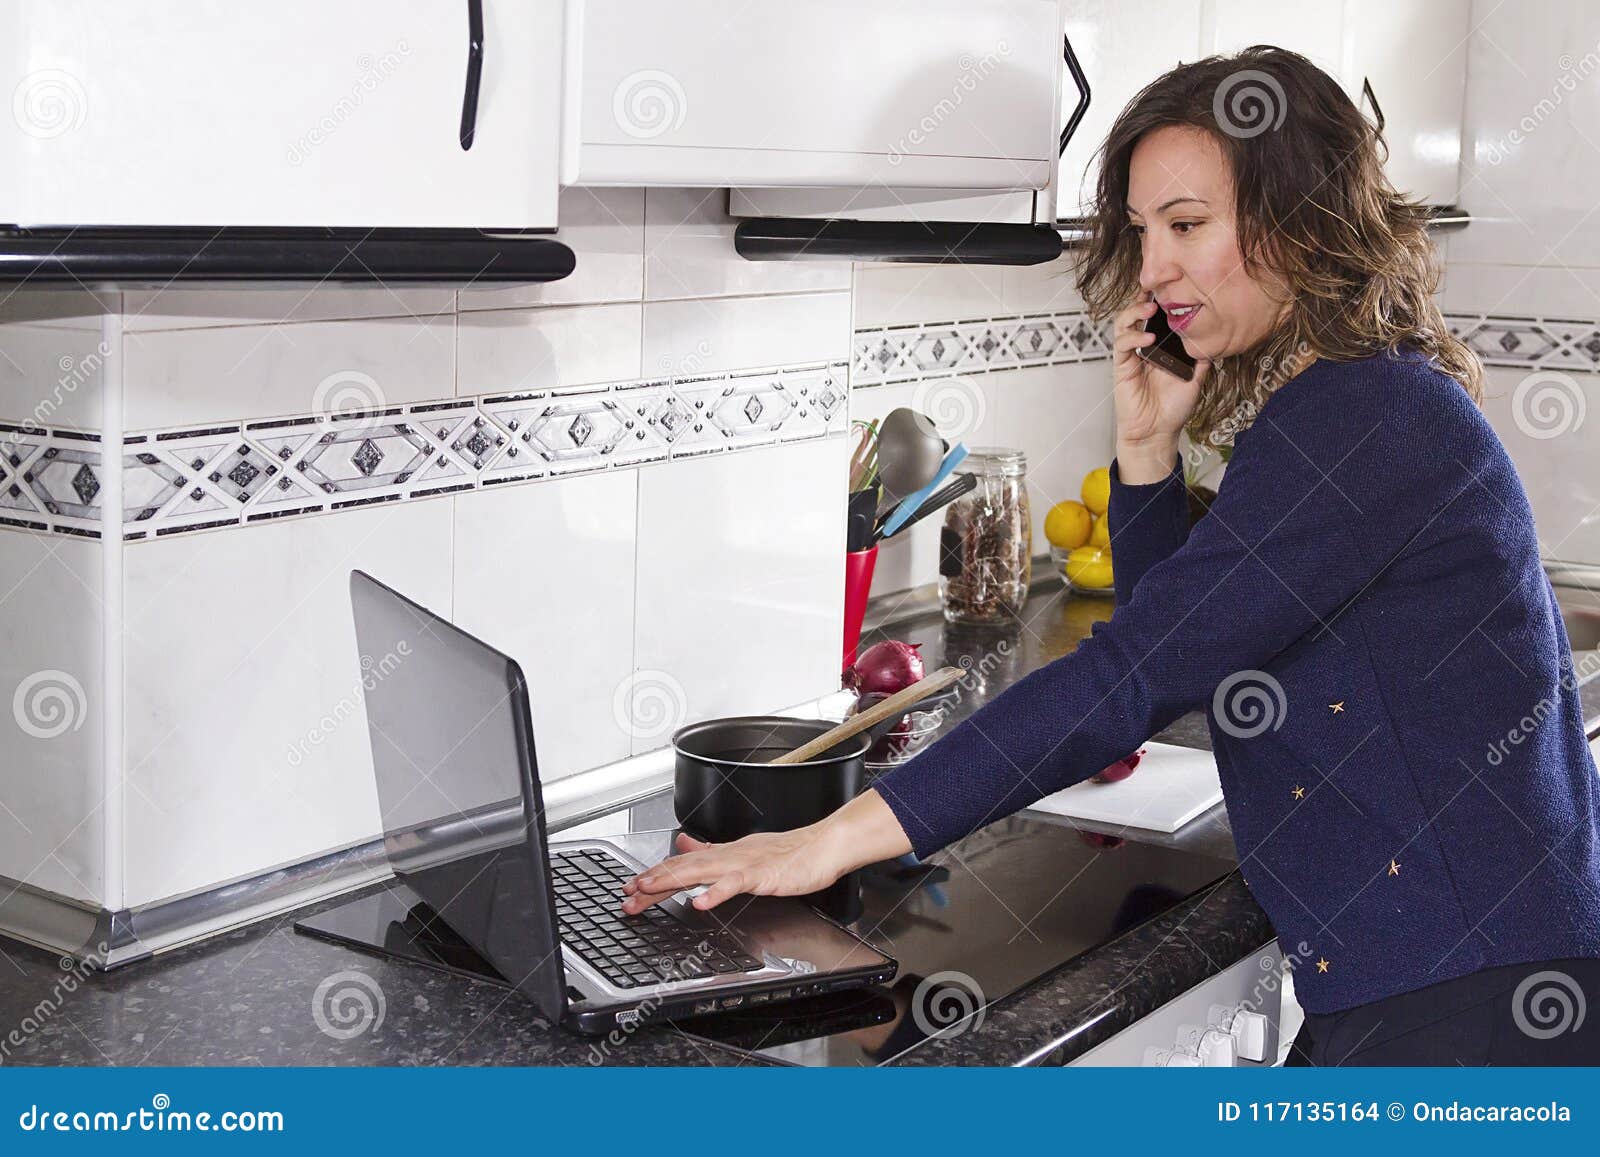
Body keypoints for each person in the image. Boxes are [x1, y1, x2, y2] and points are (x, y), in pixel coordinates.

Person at [621, 46, 1600, 1065]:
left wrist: (823, 839)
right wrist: (1144, 452)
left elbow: (1130, 671)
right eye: (1141, 231)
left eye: (1186, 225)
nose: (1153, 268)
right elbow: (1179, 638)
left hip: (1472, 997)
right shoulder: (1356, 396)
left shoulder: (1362, 418)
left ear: (1300, 223)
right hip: (1437, 971)